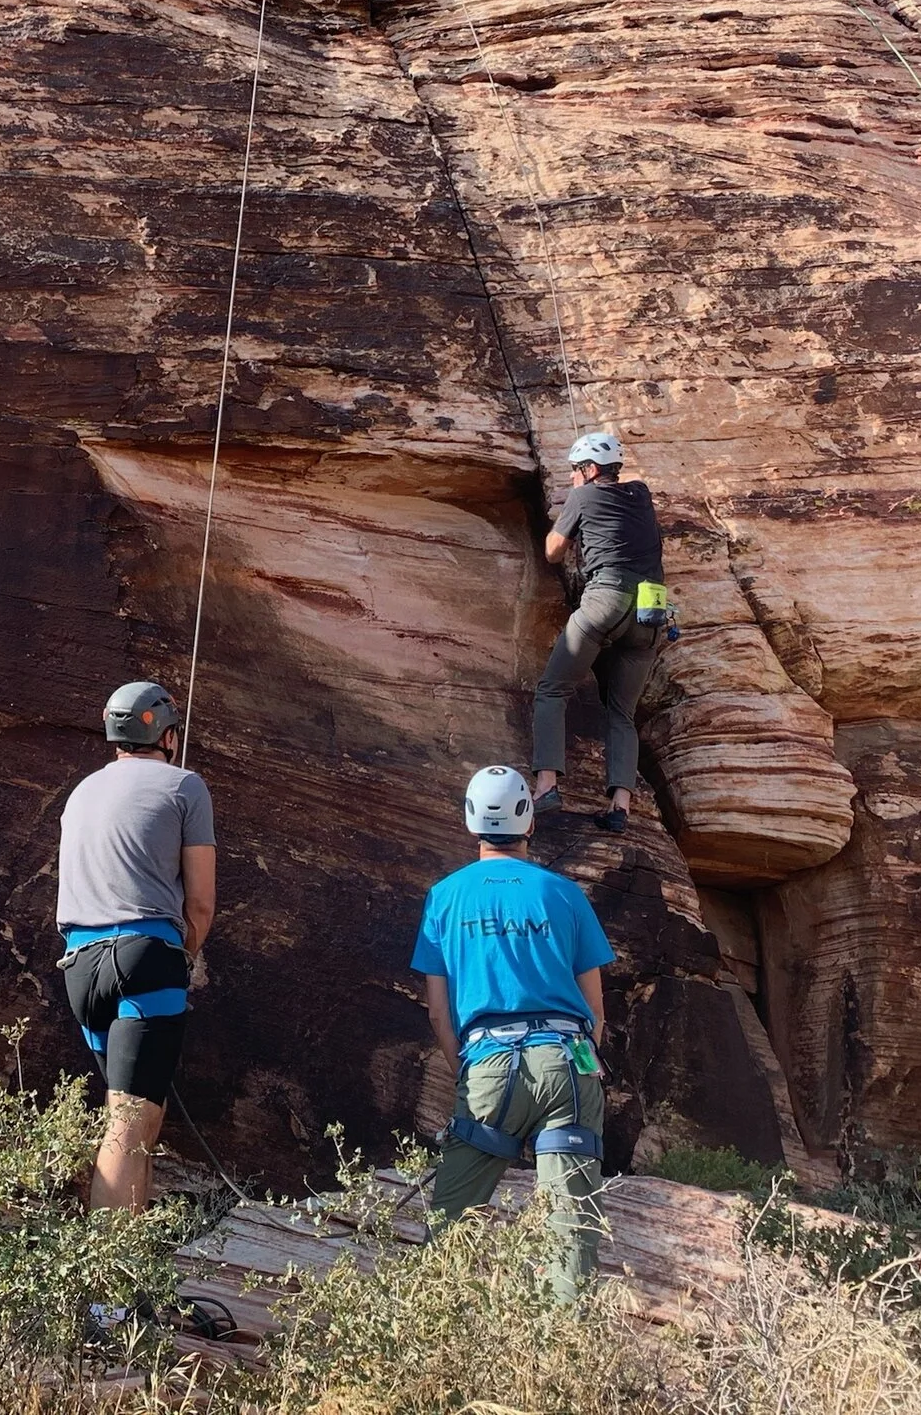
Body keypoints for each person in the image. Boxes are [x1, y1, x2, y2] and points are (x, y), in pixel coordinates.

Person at [413, 764, 615, 1294]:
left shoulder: (444, 897)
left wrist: (470, 1064)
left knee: (450, 1230)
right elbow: (596, 1011)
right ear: (529, 822)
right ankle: (566, 1355)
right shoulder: (563, 894)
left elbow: (437, 1011)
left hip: (488, 1067)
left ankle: (441, 1344)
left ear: (470, 820)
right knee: (570, 1235)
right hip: (566, 1062)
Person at [55, 680, 216, 1212]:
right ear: (166, 734)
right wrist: (185, 958)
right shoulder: (184, 786)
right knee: (130, 1125)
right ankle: (107, 1294)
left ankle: (130, 1276)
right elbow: (200, 905)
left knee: (133, 1118)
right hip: (144, 958)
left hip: (80, 966)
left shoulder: (81, 791)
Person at [532, 431, 665, 834]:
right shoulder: (641, 494)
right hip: (651, 611)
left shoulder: (582, 496)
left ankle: (546, 787)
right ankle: (620, 807)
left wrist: (570, 508)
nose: (573, 476)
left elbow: (553, 551)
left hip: (604, 599)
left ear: (589, 469)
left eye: (576, 469)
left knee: (552, 690)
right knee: (622, 712)